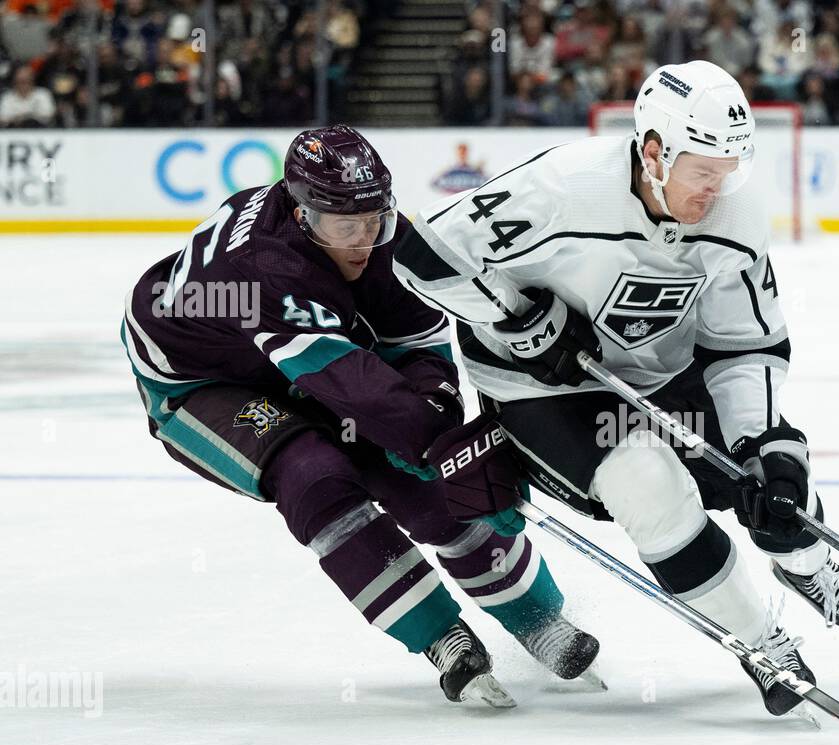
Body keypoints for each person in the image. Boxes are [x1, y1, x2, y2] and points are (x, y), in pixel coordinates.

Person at [393, 62, 839, 719]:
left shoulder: (734, 215)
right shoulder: (562, 188)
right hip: (546, 385)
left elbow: (746, 345)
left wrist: (761, 442)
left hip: (660, 369)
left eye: (730, 167)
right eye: (704, 169)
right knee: (648, 484)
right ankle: (762, 642)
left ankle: (804, 562)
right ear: (654, 152)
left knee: (773, 477)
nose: (719, 187)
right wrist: (518, 315)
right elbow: (421, 256)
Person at [121, 125, 599, 706]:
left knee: (419, 476)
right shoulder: (262, 265)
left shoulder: (389, 236)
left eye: (373, 220)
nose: (362, 240)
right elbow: (351, 384)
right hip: (202, 381)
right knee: (313, 475)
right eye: (343, 227)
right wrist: (441, 447)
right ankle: (439, 635)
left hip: (295, 355)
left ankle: (539, 621)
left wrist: (443, 424)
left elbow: (419, 348)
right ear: (301, 215)